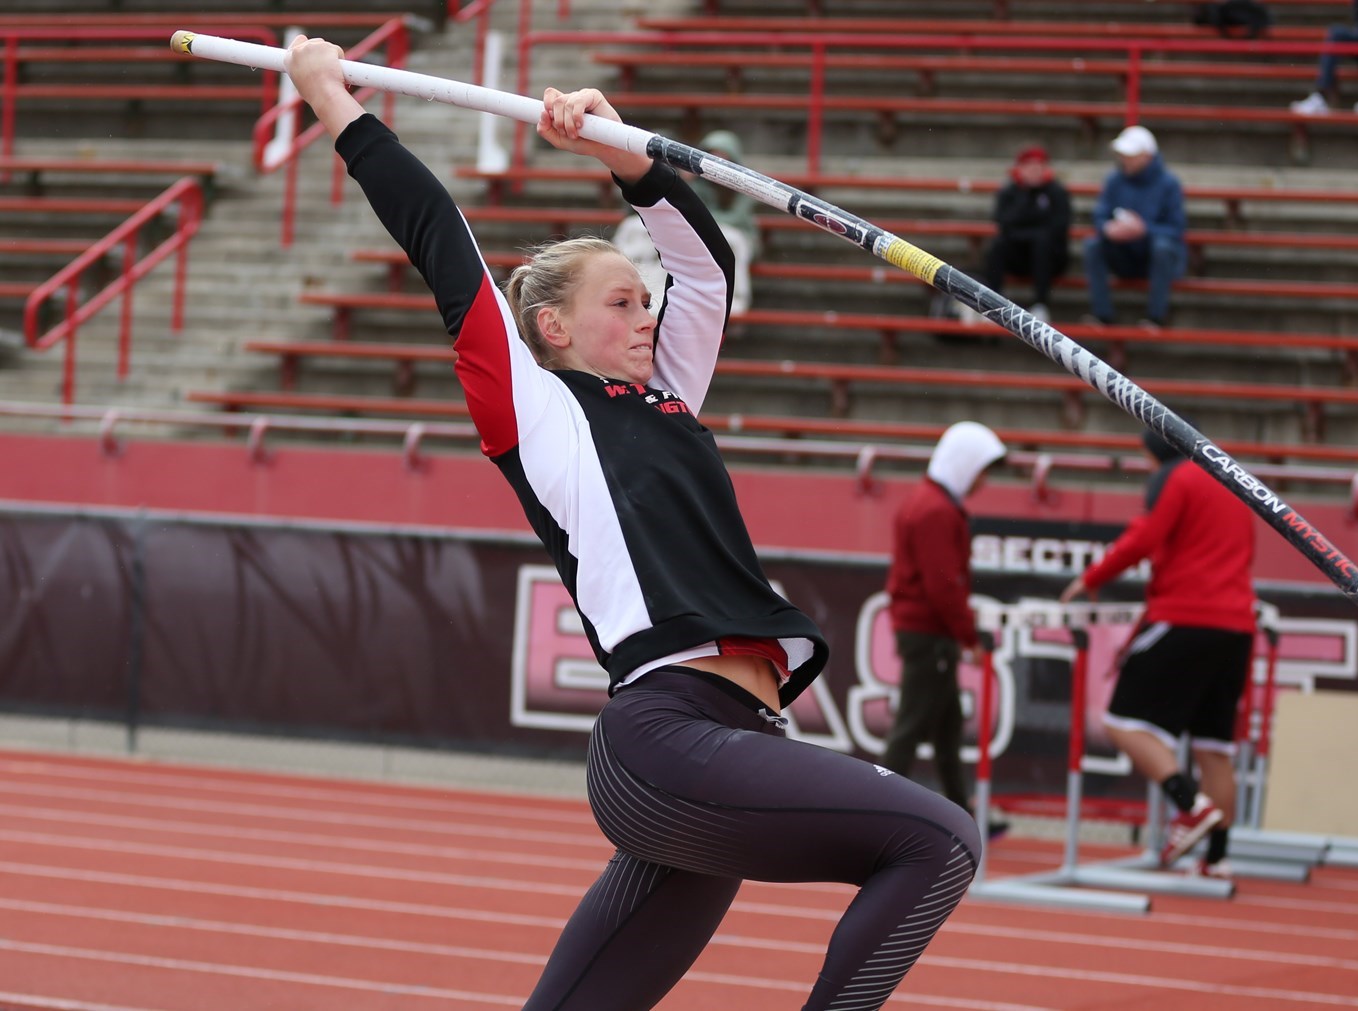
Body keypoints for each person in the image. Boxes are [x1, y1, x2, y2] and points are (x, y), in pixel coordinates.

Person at [285, 36, 978, 1011]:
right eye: (622, 301)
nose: (648, 315)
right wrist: (334, 104)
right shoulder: (538, 413)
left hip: (729, 741)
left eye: (645, 300)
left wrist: (622, 153)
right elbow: (441, 235)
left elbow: (707, 270)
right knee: (940, 841)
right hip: (669, 739)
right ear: (556, 329)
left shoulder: (666, 401)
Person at [1059, 429, 1257, 877]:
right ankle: (1218, 858)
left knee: (1123, 722)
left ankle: (1189, 806)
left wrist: (1093, 577)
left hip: (1186, 615)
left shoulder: (1176, 476)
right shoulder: (1232, 478)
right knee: (1214, 748)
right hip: (1237, 625)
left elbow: (1147, 536)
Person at [882, 421, 1008, 825]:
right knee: (914, 724)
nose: (983, 481)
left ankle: (961, 808)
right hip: (929, 634)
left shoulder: (927, 502)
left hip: (927, 632)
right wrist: (968, 637)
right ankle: (878, 807)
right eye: (982, 470)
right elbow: (944, 585)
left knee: (946, 726)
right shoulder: (936, 510)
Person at [612, 128, 757, 316]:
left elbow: (733, 217)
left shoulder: (742, 185)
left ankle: (734, 297)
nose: (718, 160)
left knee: (731, 242)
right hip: (702, 230)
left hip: (735, 235)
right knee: (636, 231)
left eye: (723, 156)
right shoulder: (697, 181)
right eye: (713, 155)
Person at [1082, 125, 1188, 329]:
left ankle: (1157, 317)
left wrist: (1144, 230)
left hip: (1154, 257)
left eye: (1130, 155)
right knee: (1093, 246)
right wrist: (1108, 229)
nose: (1124, 159)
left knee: (1162, 247)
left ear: (1147, 156)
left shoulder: (1168, 184)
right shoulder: (1114, 180)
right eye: (1123, 154)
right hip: (1125, 254)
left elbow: (1176, 228)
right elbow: (1100, 216)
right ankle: (1102, 315)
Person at [976, 145, 1070, 324]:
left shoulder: (1056, 192)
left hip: (1049, 258)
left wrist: (1027, 226)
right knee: (998, 246)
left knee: (1042, 243)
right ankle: (991, 305)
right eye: (1029, 166)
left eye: (1039, 166)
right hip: (1018, 255)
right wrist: (1030, 205)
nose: (1034, 171)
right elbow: (1004, 224)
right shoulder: (1010, 192)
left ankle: (1041, 305)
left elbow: (1058, 228)